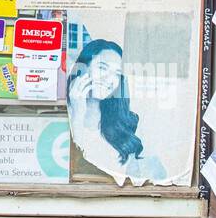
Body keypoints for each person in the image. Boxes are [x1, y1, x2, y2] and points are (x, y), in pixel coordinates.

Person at [66, 39, 166, 185]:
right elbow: (76, 167)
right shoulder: (63, 111)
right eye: (102, 68)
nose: (109, 79)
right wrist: (78, 114)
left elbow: (152, 175)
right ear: (82, 68)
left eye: (117, 74)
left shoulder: (126, 122)